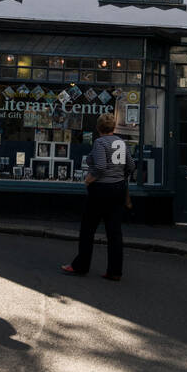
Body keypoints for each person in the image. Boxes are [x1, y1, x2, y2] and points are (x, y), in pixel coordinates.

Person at [62, 113, 134, 280]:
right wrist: (120, 176)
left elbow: (100, 166)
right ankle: (115, 272)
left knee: (88, 229)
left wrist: (89, 179)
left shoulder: (100, 142)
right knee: (114, 232)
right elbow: (131, 165)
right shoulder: (121, 142)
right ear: (113, 127)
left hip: (101, 189)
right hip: (118, 189)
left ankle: (81, 266)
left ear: (98, 127)